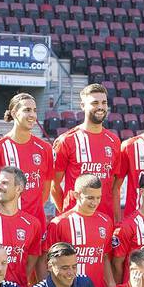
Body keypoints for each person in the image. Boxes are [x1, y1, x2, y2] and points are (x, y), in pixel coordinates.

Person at [0, 93, 54, 232]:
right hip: (5, 226)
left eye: (34, 110)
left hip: (36, 225)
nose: (32, 115)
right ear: (14, 113)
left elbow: (44, 193)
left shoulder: (45, 149)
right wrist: (1, 216)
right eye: (27, 110)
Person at [51, 83, 123, 221]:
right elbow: (54, 186)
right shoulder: (67, 140)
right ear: (83, 106)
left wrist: (117, 221)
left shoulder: (114, 141)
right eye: (95, 103)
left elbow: (114, 188)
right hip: (73, 222)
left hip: (104, 222)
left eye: (104, 102)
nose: (101, 107)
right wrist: (67, 213)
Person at [45, 174, 114, 287]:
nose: (95, 202)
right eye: (90, 198)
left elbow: (105, 256)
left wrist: (111, 283)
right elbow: (46, 260)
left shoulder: (106, 221)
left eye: (98, 197)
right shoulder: (60, 223)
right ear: (76, 195)